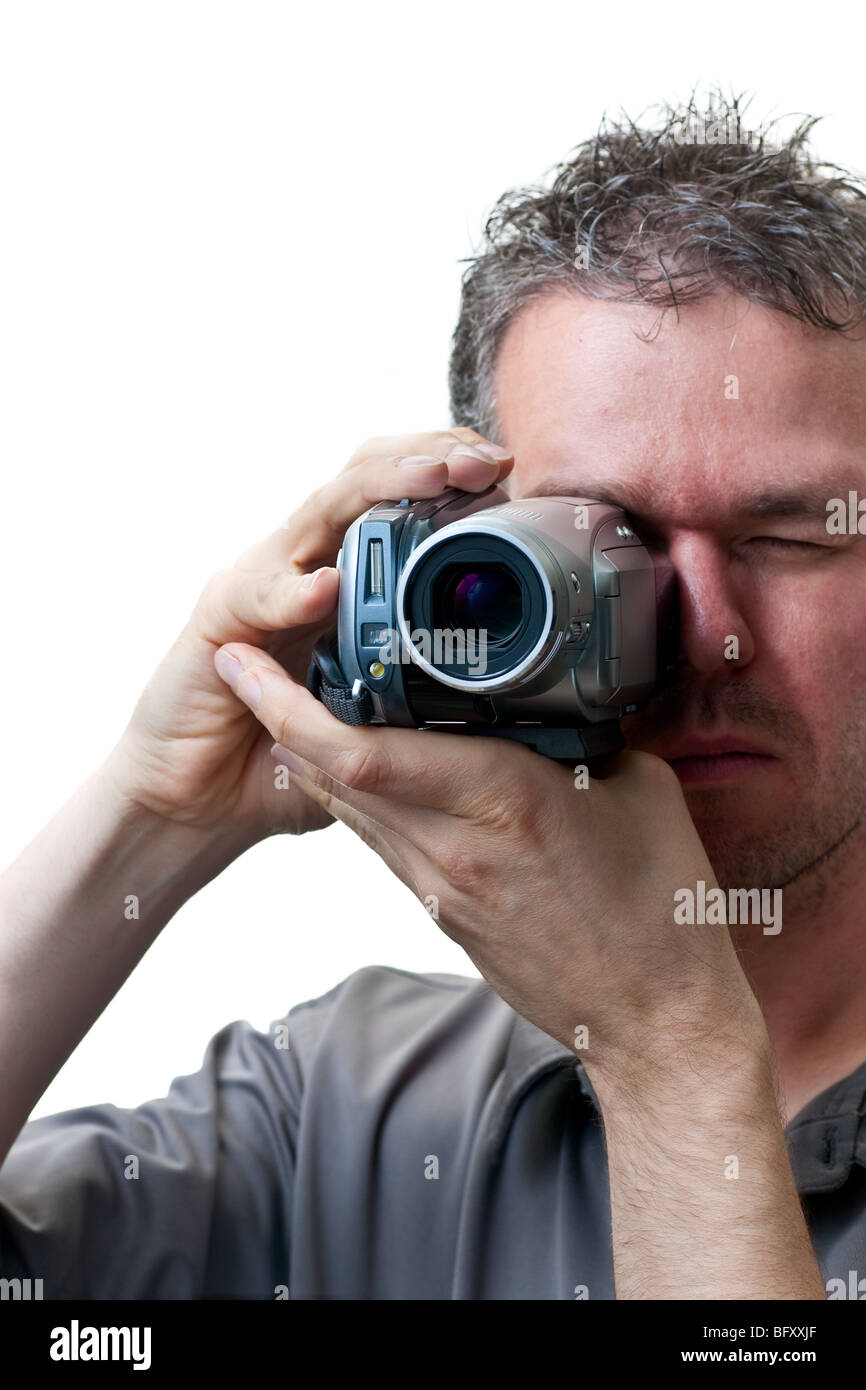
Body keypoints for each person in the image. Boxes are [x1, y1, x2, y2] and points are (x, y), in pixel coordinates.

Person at [1, 93, 864, 1301]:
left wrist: (664, 1049)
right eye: (603, 540)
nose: (706, 636)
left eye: (784, 536)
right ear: (471, 552)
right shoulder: (350, 1111)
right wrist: (150, 817)